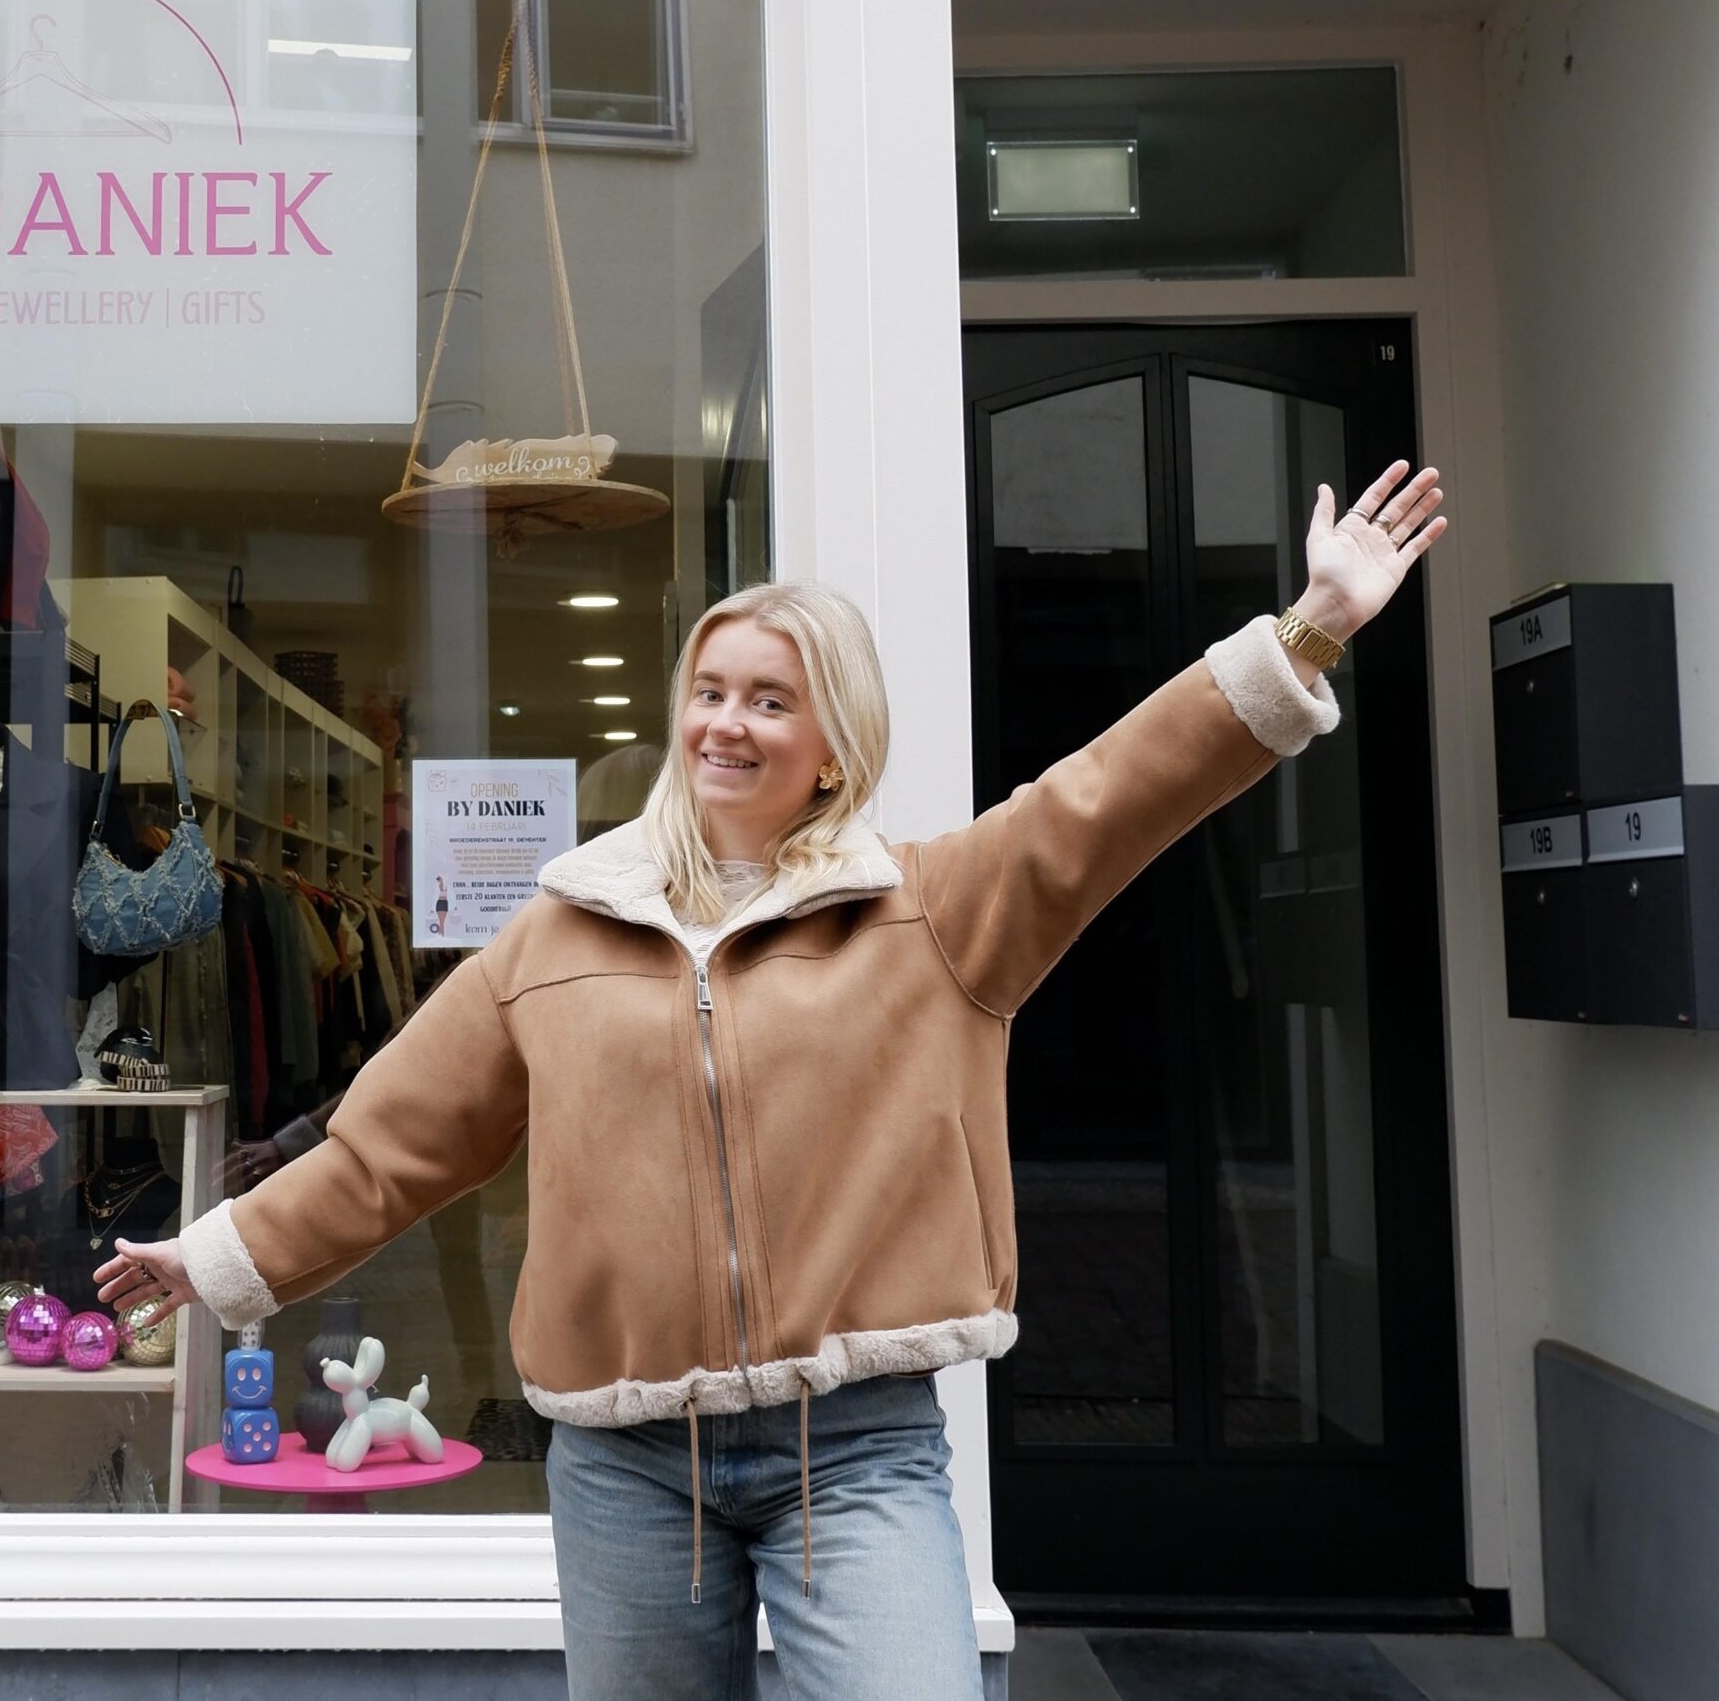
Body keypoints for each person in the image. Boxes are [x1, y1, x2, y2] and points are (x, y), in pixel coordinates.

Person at [100, 464, 1449, 1699]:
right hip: (626, 1462)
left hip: (853, 1452)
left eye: (769, 698)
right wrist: (214, 1258)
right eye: (710, 690)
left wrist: (1309, 629)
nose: (725, 725)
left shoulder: (931, 911)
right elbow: (389, 1147)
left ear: (832, 744)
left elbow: (1110, 796)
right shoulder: (559, 928)